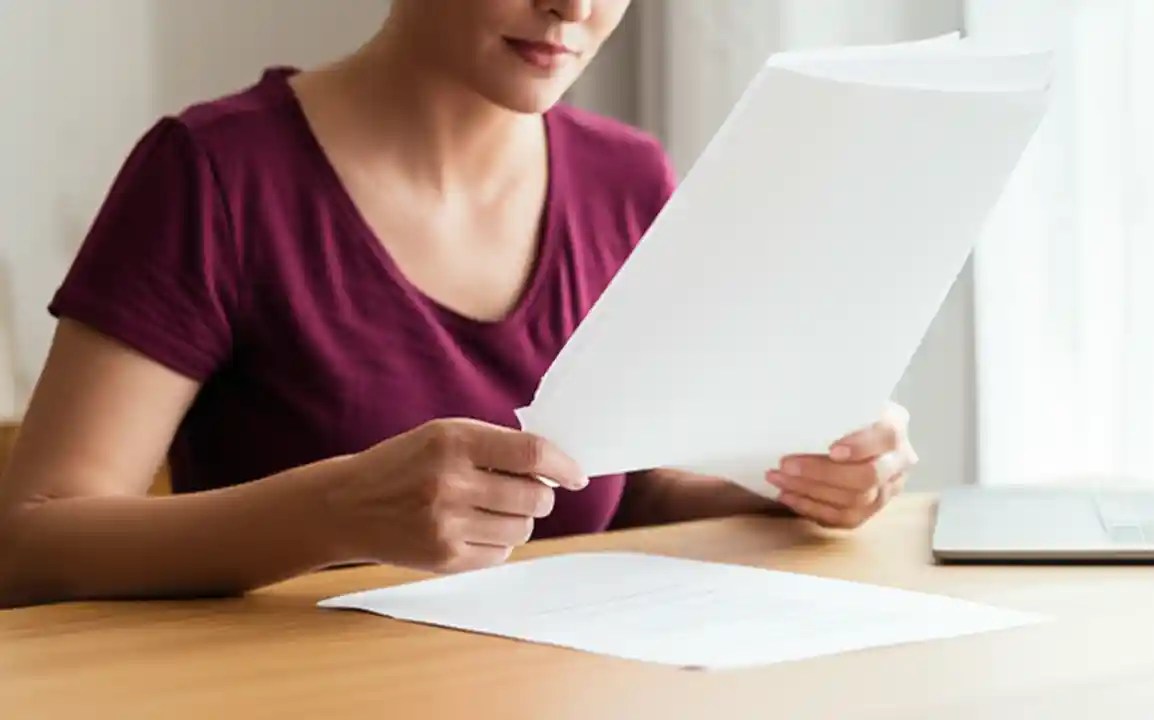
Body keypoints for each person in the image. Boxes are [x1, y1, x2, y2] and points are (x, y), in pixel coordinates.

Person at [0, 0, 917, 609]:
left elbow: (622, 493)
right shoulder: (215, 175)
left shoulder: (628, 179)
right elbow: (29, 542)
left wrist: (787, 483)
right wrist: (342, 508)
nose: (575, 4)